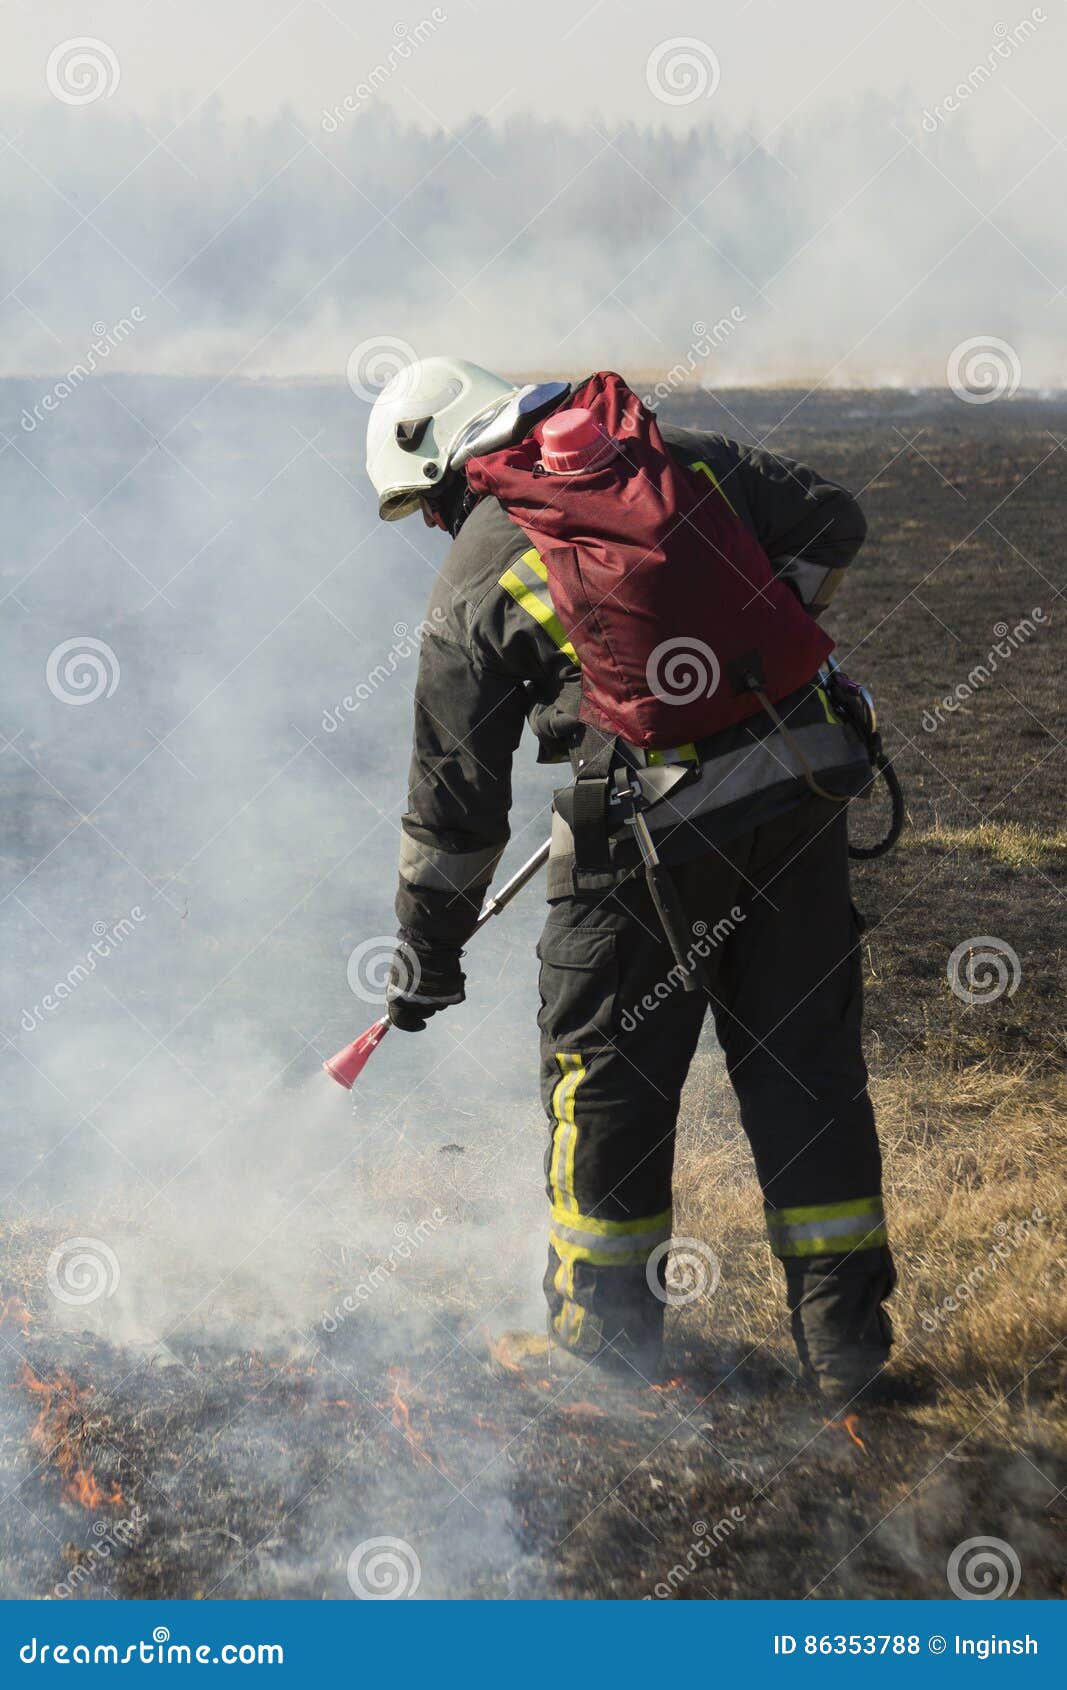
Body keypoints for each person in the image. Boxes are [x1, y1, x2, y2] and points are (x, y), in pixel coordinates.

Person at [365, 357, 895, 1403]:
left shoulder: (478, 565)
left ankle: (603, 1370)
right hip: (795, 796)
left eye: (428, 506)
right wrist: (751, 641)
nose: (436, 527)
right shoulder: (675, 460)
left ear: (448, 465)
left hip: (638, 850)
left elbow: (452, 800)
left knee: (605, 1085)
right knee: (808, 1074)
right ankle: (848, 1359)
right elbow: (832, 516)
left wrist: (425, 954)